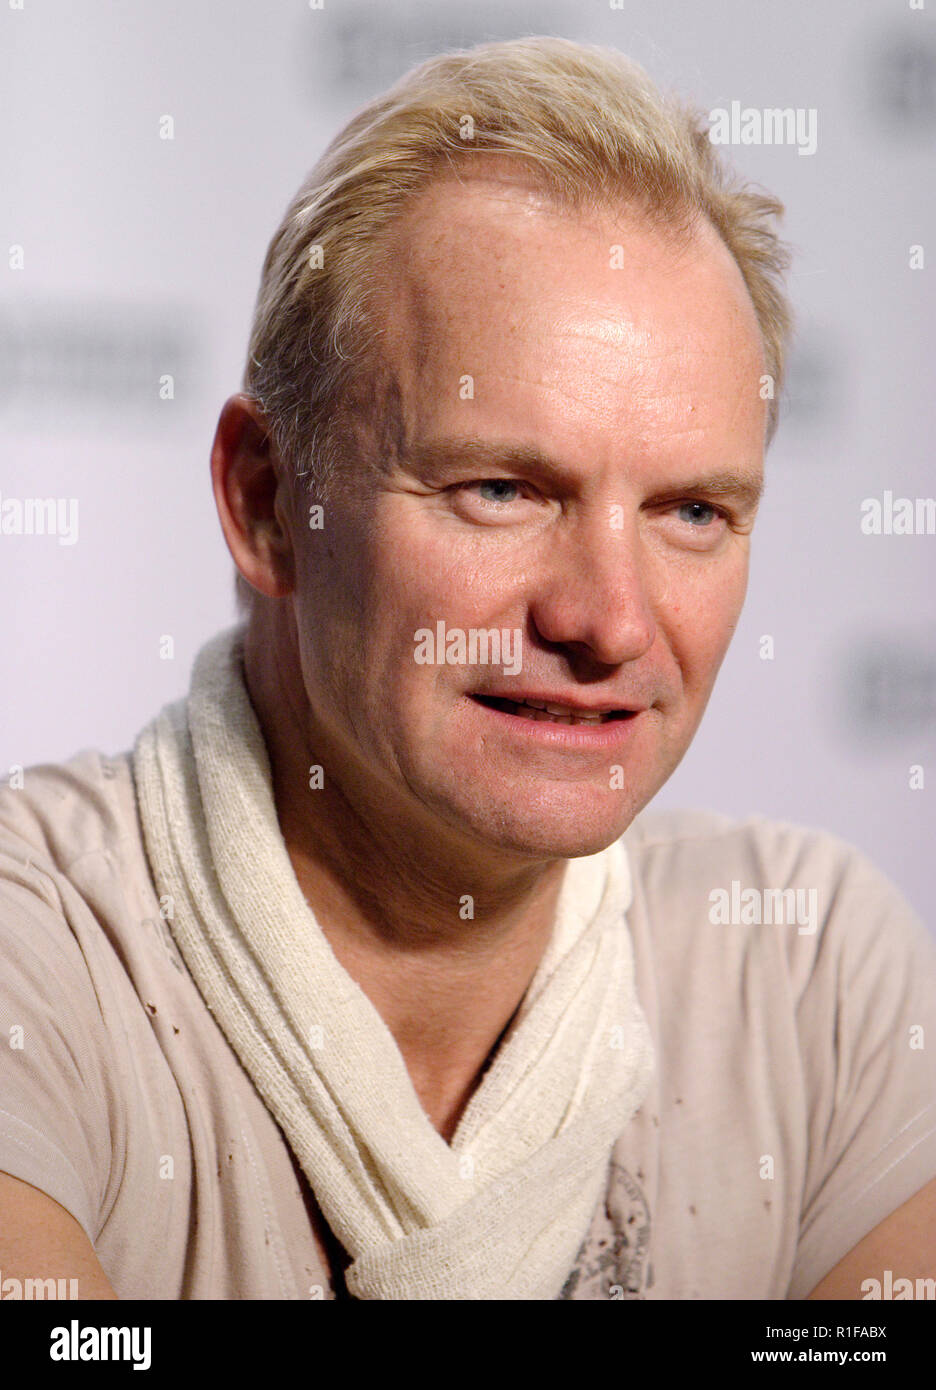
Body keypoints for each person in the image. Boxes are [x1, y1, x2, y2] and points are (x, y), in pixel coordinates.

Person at [1, 35, 934, 1302]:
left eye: (693, 513)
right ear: (270, 503)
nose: (609, 621)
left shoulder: (815, 979)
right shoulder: (40, 956)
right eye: (501, 488)